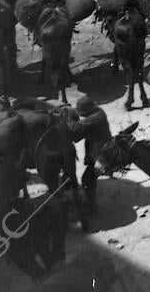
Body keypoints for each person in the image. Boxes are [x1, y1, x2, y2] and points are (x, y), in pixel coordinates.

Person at [66, 95, 110, 226]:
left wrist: (69, 117)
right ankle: (90, 204)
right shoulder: (99, 112)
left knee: (87, 179)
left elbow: (75, 130)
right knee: (89, 178)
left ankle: (91, 208)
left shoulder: (95, 118)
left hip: (100, 153)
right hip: (97, 149)